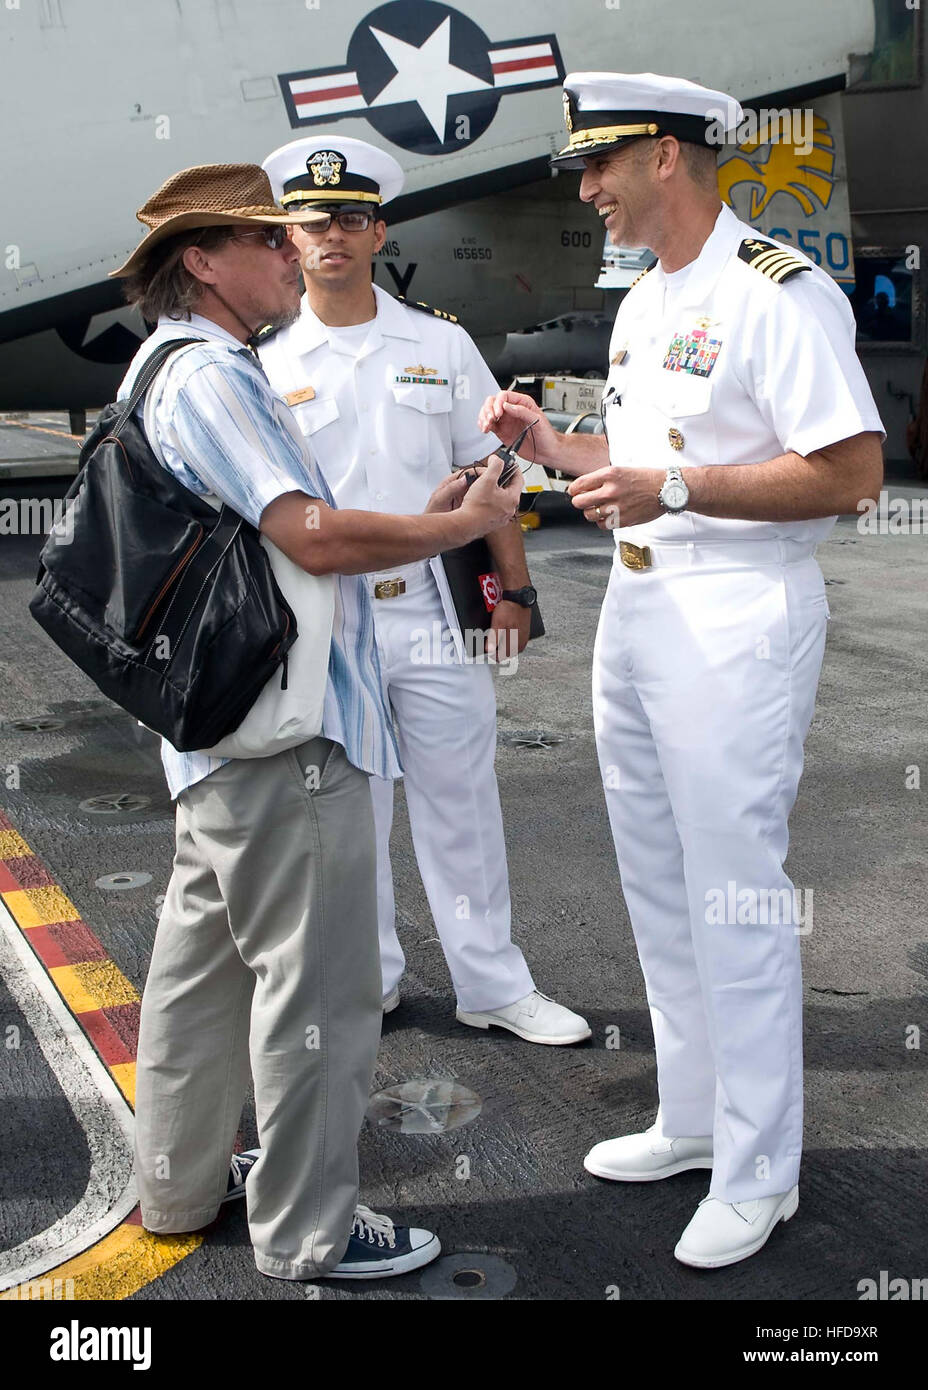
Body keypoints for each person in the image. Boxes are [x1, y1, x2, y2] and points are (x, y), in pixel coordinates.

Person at [480, 72, 885, 1268]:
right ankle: (696, 1117)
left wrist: (675, 488)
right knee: (659, 882)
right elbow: (659, 453)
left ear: (665, 155)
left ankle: (762, 1167)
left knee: (733, 891)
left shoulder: (778, 293)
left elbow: (852, 470)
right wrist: (561, 449)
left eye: (600, 164)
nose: (587, 189)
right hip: (642, 610)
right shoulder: (647, 299)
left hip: (734, 618)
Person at [113, 163, 523, 1281]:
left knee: (202, 981)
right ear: (204, 260)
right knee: (321, 998)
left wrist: (423, 514)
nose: (294, 254)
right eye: (268, 241)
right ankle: (308, 1229)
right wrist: (457, 533)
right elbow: (314, 538)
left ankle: (180, 1186)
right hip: (291, 738)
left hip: (223, 738)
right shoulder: (215, 376)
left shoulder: (171, 366)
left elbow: (291, 530)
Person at [258, 136, 590, 1046]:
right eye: (314, 220)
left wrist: (513, 596)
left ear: (379, 232)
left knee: (461, 802)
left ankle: (492, 982)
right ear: (288, 237)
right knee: (344, 812)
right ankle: (370, 980)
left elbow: (493, 477)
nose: (333, 234)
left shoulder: (438, 343)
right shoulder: (262, 358)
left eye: (351, 218)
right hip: (321, 621)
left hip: (432, 614)